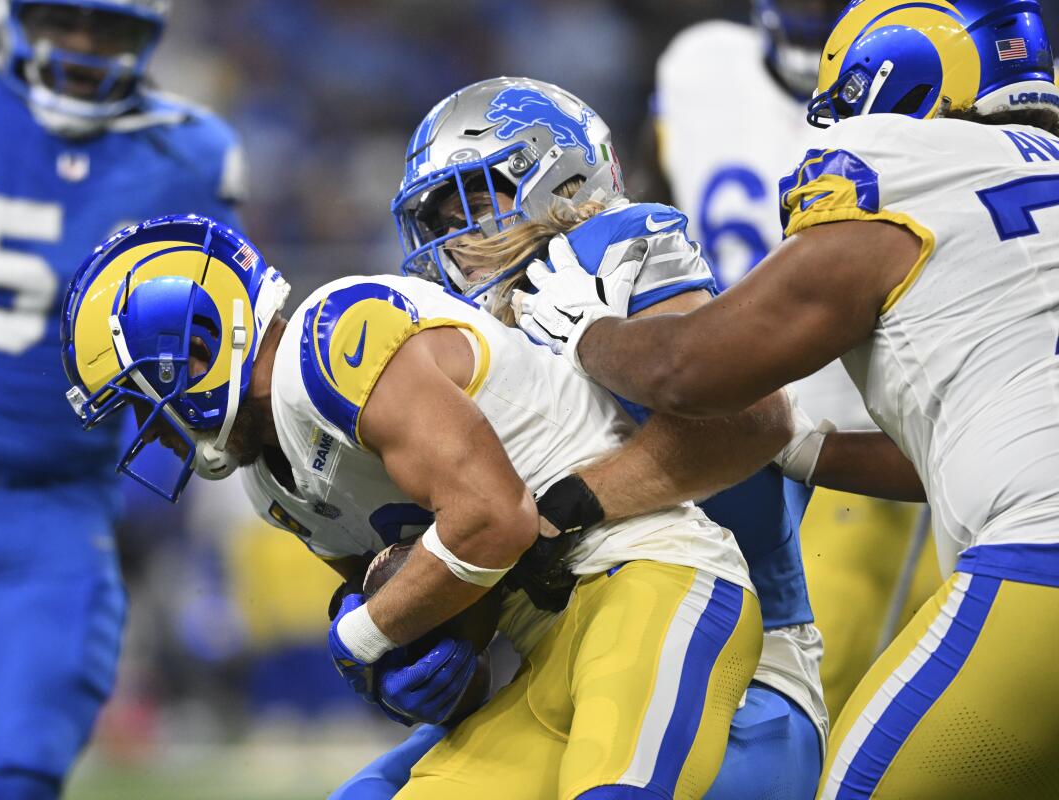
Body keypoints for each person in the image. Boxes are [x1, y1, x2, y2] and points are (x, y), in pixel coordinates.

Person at [516, 1, 1059, 796]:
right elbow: (970, 444)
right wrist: (808, 446)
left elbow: (691, 372)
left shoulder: (901, 168)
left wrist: (587, 330)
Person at [60, 213, 793, 798]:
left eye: (142, 399)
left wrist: (363, 637)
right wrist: (426, 671)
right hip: (542, 643)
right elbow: (453, 607)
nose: (151, 429)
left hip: (648, 575)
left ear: (199, 345)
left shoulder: (332, 341)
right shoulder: (271, 484)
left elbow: (493, 519)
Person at [346, 75, 830, 800]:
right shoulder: (461, 338)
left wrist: (558, 509)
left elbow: (747, 421)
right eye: (439, 215)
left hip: (737, 657)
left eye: (477, 200)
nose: (455, 238)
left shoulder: (605, 249)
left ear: (563, 180)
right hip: (557, 657)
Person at [0, 1, 245, 795]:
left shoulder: (186, 152)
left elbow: (220, 345)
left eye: (109, 30)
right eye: (61, 21)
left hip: (57, 507)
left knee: (20, 772)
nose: (82, 47)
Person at [651, 0, 938, 719]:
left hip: (858, 429)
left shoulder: (927, 74)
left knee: (817, 689)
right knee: (686, 681)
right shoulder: (700, 66)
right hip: (725, 419)